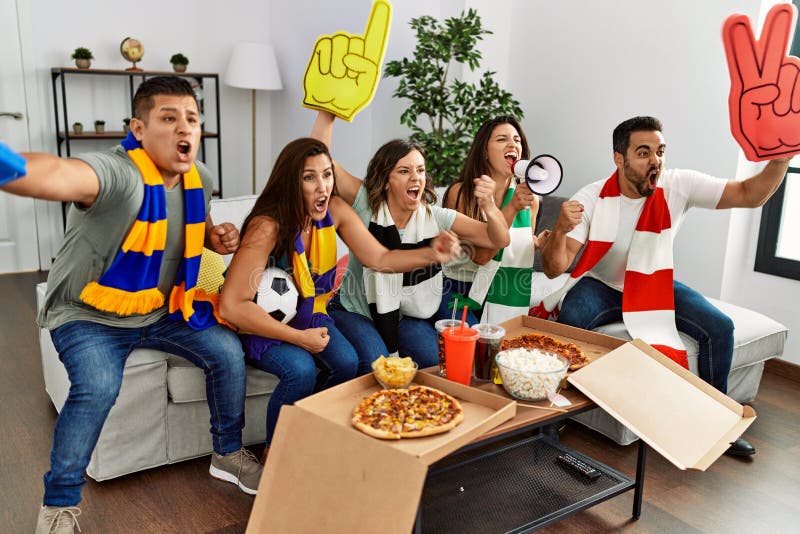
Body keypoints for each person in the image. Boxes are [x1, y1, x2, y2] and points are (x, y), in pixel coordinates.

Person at [0, 76, 262, 534]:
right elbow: (60, 173)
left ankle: (226, 454)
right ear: (138, 129)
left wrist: (217, 237)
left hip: (159, 311)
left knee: (226, 352)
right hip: (89, 315)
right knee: (99, 385)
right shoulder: (119, 173)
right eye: (168, 118)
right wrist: (9, 165)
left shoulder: (200, 177)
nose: (185, 128)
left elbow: (196, 231)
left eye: (192, 119)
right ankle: (58, 508)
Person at [538, 116, 790, 457]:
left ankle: (720, 423)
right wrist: (561, 229)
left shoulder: (678, 186)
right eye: (643, 153)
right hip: (602, 284)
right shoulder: (593, 197)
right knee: (569, 321)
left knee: (719, 327)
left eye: (660, 151)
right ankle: (550, 418)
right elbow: (555, 268)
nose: (655, 160)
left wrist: (782, 158)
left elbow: (750, 195)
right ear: (619, 159)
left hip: (653, 282)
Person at [219, 137, 461, 460]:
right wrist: (299, 338)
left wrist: (431, 253)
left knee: (348, 362)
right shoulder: (267, 226)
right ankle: (274, 455)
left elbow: (381, 258)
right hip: (261, 326)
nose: (322, 186)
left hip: (311, 315)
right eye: (309, 177)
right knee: (301, 370)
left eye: (327, 175)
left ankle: (309, 433)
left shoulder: (333, 209)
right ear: (291, 182)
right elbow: (232, 305)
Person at [311, 110, 510, 373]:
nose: (416, 178)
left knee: (443, 359)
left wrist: (490, 206)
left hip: (407, 314)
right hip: (355, 310)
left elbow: (497, 238)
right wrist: (328, 113)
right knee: (377, 362)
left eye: (420, 170)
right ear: (385, 181)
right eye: (404, 171)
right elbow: (316, 162)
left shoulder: (434, 216)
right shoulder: (364, 204)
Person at [441, 116, 551, 325]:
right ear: (484, 151)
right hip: (461, 288)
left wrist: (535, 242)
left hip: (504, 289)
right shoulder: (462, 193)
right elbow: (482, 257)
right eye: (502, 139)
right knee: (474, 347)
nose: (512, 144)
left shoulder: (530, 199)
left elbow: (514, 246)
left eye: (517, 140)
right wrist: (511, 208)